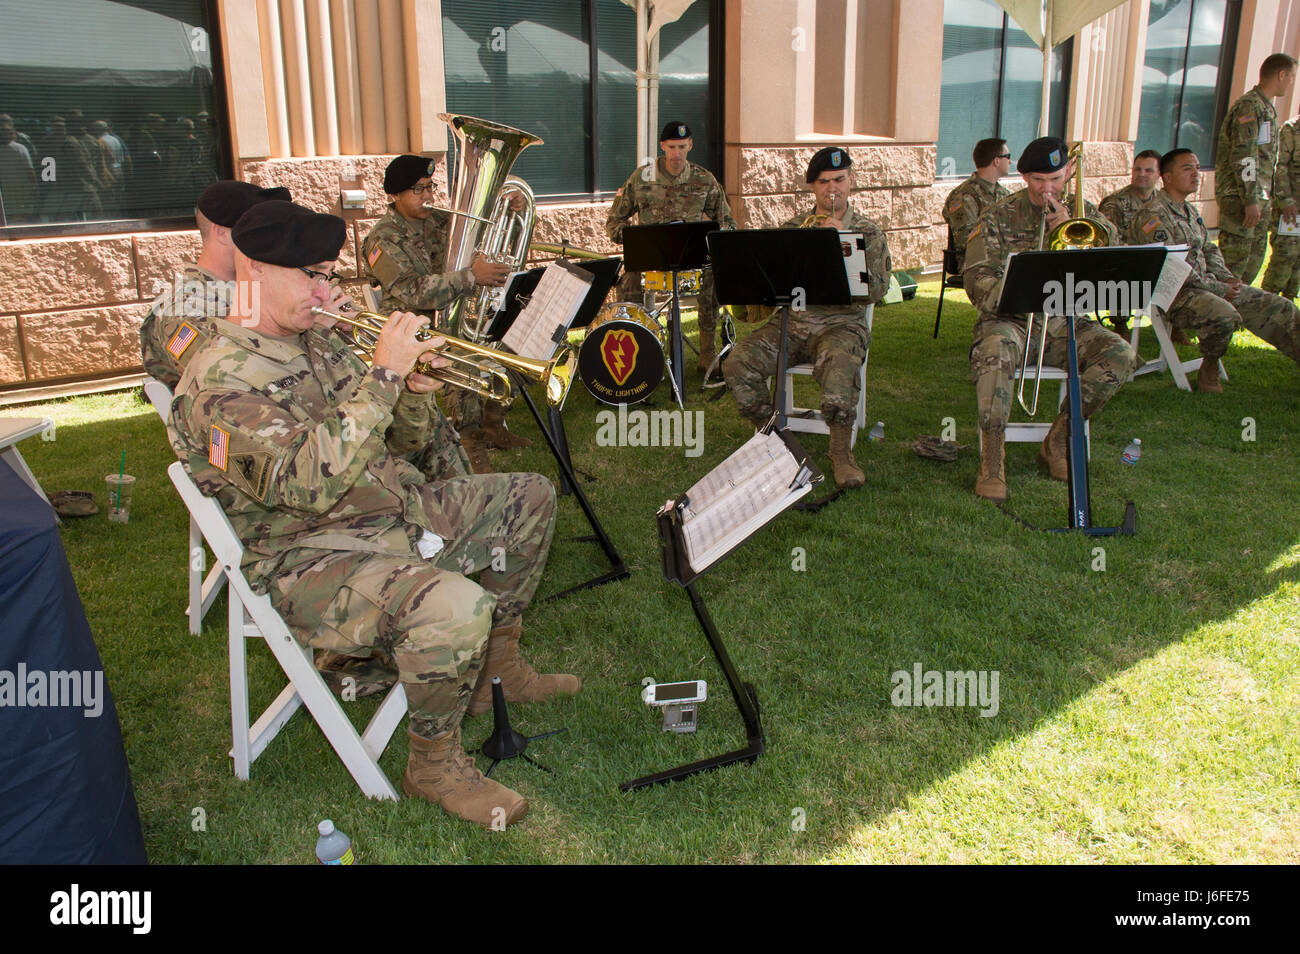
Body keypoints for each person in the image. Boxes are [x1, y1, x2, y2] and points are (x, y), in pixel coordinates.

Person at [169, 200, 579, 828]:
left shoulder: (320, 341)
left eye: (328, 274)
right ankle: (434, 764)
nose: (324, 290)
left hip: (390, 512)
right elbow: (305, 484)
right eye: (309, 274)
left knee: (530, 497)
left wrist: (412, 395)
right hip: (311, 557)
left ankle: (497, 664)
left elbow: (402, 445)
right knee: (454, 605)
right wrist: (385, 375)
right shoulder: (218, 382)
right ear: (251, 268)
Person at [963, 137, 1137, 504]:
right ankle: (992, 459)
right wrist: (1015, 288)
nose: (1048, 189)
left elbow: (1117, 261)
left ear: (1069, 173)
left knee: (1120, 354)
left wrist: (1074, 230)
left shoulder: (1086, 215)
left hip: (1063, 322)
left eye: (1055, 179)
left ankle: (1058, 440)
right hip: (1011, 320)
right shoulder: (997, 216)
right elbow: (976, 280)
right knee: (994, 353)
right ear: (1024, 176)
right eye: (1038, 180)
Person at [723, 147, 890, 489]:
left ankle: (841, 454)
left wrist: (841, 243)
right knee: (737, 363)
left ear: (851, 181)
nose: (833, 189)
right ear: (813, 188)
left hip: (842, 325)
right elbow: (774, 284)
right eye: (824, 182)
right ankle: (770, 435)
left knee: (840, 366)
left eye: (840, 180)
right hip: (792, 323)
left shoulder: (868, 233)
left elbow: (877, 290)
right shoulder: (793, 229)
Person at [360, 154, 522, 469]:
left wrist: (510, 211)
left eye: (430, 188)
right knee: (460, 361)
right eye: (418, 190)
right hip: (413, 327)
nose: (428, 197)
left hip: (453, 316)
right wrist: (471, 276)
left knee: (516, 343)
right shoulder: (383, 238)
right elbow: (411, 289)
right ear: (394, 195)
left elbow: (486, 243)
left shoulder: (440, 221)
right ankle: (469, 439)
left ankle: (494, 423)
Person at [1131, 149, 1300, 391]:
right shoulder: (1153, 216)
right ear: (1167, 177)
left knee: (1281, 307)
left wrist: (1227, 278)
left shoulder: (1189, 211)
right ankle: (1209, 366)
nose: (1196, 174)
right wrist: (1221, 288)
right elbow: (1175, 269)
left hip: (1208, 287)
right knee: (1225, 313)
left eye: (1198, 167)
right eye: (1188, 168)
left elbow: (1209, 250)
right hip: (1175, 294)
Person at [605, 121, 737, 372]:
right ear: (662, 146)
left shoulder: (704, 179)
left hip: (691, 259)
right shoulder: (641, 178)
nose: (677, 154)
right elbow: (614, 221)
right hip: (651, 258)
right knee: (629, 281)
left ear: (690, 145)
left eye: (682, 147)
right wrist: (633, 237)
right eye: (672, 147)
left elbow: (728, 224)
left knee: (713, 277)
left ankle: (707, 356)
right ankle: (637, 353)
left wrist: (713, 240)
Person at [140, 180, 291, 390]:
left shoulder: (254, 287)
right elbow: (222, 370)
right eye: (256, 231)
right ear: (222, 233)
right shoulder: (182, 309)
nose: (269, 240)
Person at [1215, 53, 1297, 283]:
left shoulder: (1265, 107)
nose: (1292, 83)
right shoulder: (1249, 107)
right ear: (1281, 75)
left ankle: (1241, 315)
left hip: (1258, 200)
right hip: (1241, 200)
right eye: (1291, 77)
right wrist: (1251, 199)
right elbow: (1244, 154)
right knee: (1233, 269)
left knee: (1251, 266)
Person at [1099, 149, 1164, 335]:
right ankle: (1120, 324)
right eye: (1137, 169)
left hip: (1155, 258)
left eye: (1148, 170)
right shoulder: (1115, 203)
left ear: (1159, 174)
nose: (1141, 174)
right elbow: (1108, 242)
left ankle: (1174, 324)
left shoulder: (1163, 203)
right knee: (1121, 267)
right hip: (1124, 260)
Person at [942, 138, 1011, 273]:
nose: (1010, 161)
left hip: (1001, 260)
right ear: (996, 161)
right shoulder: (964, 196)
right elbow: (968, 240)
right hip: (975, 265)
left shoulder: (1003, 194)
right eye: (1008, 157)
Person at [1262, 112, 1300, 299]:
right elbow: (1280, 167)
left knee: (1298, 262)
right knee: (1284, 256)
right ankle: (1267, 302)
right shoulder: (1291, 129)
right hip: (1291, 210)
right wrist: (1286, 201)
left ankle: (1289, 305)